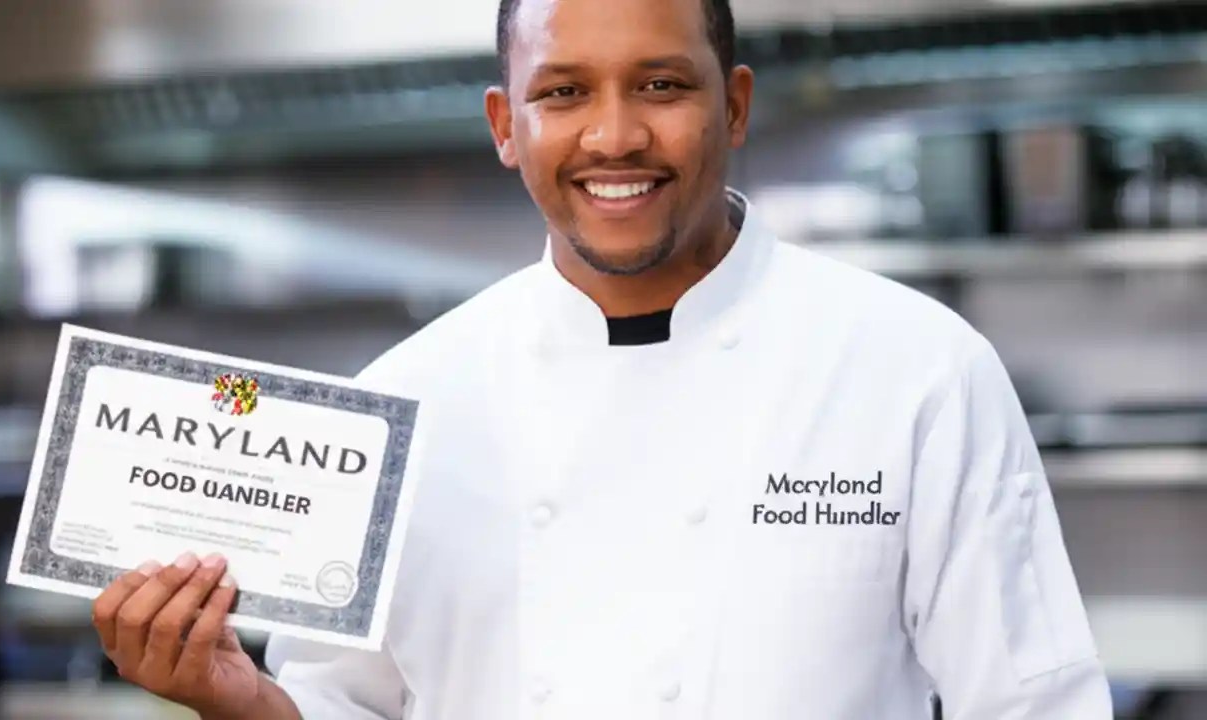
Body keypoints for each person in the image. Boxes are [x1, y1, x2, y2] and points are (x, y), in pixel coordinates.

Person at [88, 0, 1115, 717]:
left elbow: (1033, 703)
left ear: (736, 105)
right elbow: (341, 710)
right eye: (564, 92)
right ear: (506, 125)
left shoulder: (914, 368)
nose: (614, 135)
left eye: (661, 84)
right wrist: (240, 702)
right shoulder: (402, 400)